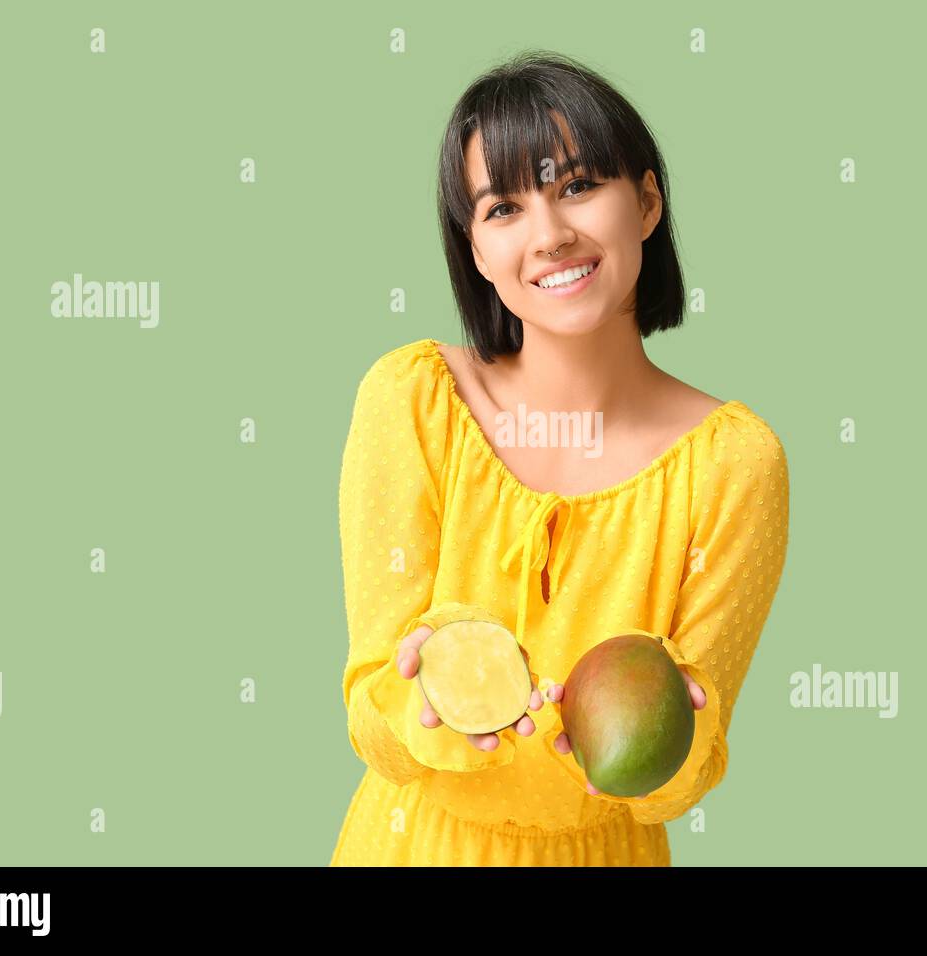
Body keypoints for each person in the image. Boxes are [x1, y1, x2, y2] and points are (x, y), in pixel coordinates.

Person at [330, 51, 789, 866]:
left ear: (646, 202)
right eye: (503, 208)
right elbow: (373, 714)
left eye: (577, 185)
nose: (550, 236)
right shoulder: (411, 401)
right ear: (475, 249)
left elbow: (689, 770)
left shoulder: (732, 463)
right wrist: (423, 707)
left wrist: (673, 743)